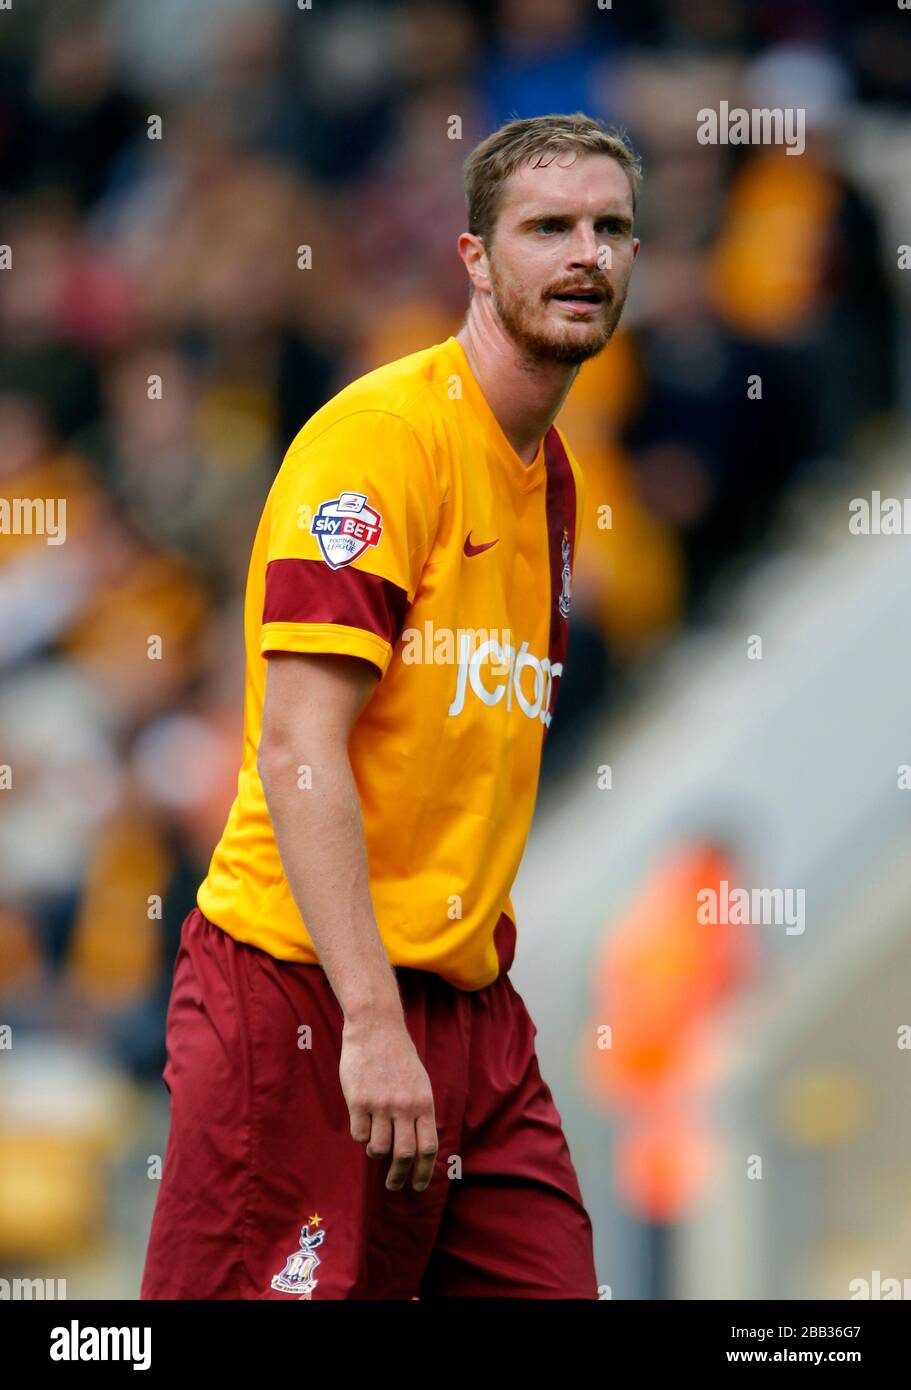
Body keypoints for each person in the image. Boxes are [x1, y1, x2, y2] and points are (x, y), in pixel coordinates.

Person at [141, 112, 641, 1300]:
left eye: (610, 228)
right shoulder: (380, 444)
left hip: (470, 1013)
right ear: (474, 258)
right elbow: (296, 745)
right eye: (547, 228)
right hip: (306, 989)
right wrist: (369, 1020)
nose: (585, 253)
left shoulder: (553, 481)